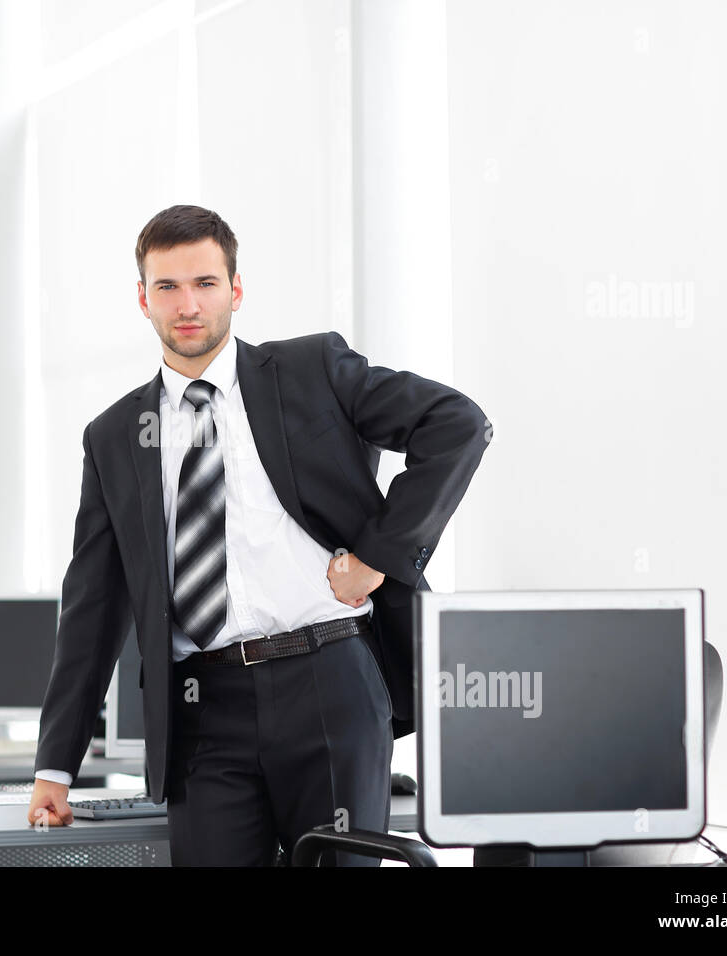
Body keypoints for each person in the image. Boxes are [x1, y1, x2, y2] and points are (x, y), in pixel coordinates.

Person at [26, 204, 491, 866]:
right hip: (201, 713)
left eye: (206, 283)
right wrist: (57, 765)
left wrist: (378, 558)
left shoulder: (311, 372)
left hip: (329, 681)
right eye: (168, 287)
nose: (189, 304)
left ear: (235, 290)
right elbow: (93, 608)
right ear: (143, 299)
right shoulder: (114, 437)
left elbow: (457, 424)